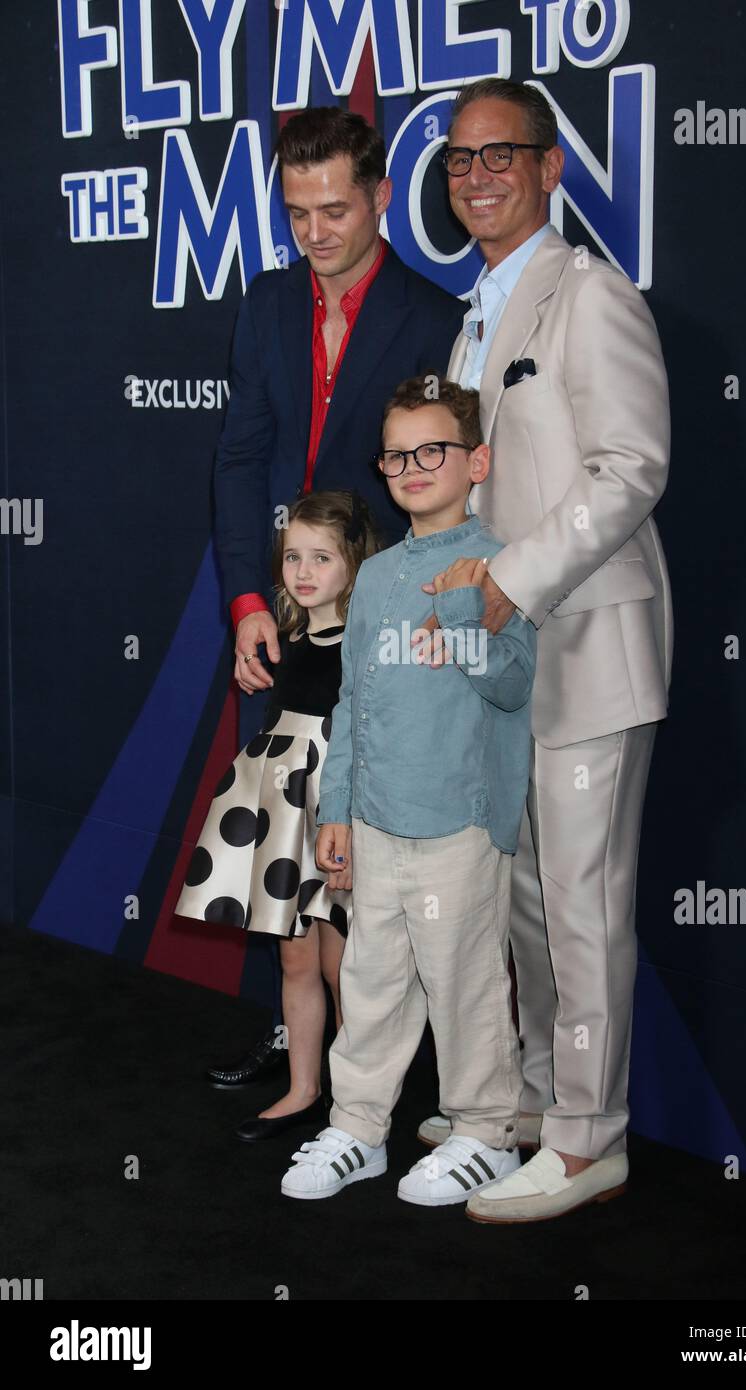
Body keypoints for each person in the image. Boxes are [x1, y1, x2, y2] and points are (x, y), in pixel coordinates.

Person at [415, 79, 673, 1222]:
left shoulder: (591, 296)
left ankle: (587, 1140)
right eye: (460, 162)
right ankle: (531, 1100)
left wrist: (509, 583)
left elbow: (631, 468)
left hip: (586, 646)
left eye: (499, 156)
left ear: (548, 168)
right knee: (521, 896)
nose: (476, 177)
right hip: (501, 665)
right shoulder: (473, 309)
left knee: (579, 899)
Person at [204, 107, 465, 1091]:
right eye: (296, 211)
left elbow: (441, 497)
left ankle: (388, 1066)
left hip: (384, 638)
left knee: (374, 855)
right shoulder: (267, 303)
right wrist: (246, 600)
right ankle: (301, 1044)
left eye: (333, 209)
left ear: (381, 198)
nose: (314, 231)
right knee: (291, 851)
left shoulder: (436, 318)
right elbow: (237, 458)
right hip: (277, 623)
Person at [279, 375, 538, 1206]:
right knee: (374, 981)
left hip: (460, 820)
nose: (413, 467)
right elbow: (355, 702)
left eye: (433, 450)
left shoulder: (503, 564)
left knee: (465, 983)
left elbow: (512, 688)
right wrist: (340, 809)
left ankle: (484, 1131)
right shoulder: (379, 575)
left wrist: (465, 612)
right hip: (378, 823)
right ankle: (358, 1127)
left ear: (477, 461)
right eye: (396, 455)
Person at [177, 490, 379, 1139]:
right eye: (293, 556)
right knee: (295, 961)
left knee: (341, 964)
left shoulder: (367, 645)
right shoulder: (284, 637)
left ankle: (357, 1102)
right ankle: (302, 1088)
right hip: (282, 813)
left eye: (322, 556)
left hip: (337, 812)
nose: (303, 571)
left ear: (355, 562)